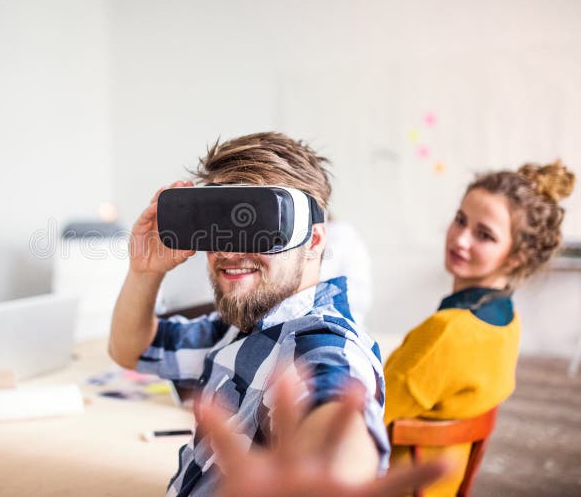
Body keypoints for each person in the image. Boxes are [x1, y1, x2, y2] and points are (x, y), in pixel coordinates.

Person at [109, 133, 447, 497]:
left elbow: (333, 403)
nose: (228, 249)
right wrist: (145, 272)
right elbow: (132, 349)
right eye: (217, 225)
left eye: (256, 227)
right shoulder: (239, 328)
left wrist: (329, 472)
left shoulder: (321, 344)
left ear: (314, 240)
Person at [384, 161, 576, 496]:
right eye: (460, 220)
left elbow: (365, 416)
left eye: (483, 234)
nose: (460, 238)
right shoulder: (506, 323)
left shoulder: (447, 331)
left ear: (516, 256)